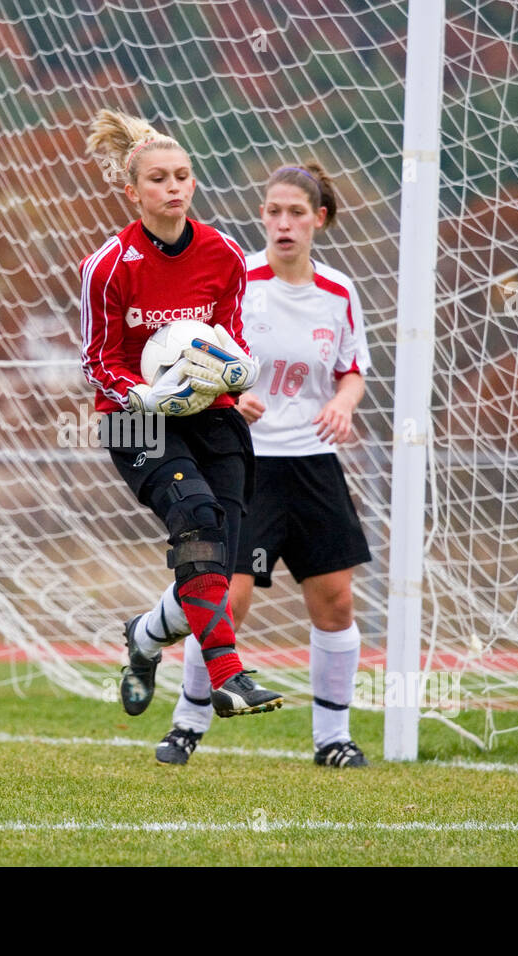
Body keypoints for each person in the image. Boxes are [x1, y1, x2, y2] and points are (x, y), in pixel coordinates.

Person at [155, 161, 373, 768]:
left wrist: (343, 403)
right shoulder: (238, 280)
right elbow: (193, 358)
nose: (283, 223)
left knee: (335, 601)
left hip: (315, 465)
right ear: (263, 217)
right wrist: (229, 395)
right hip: (246, 461)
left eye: (296, 213)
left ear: (318, 220)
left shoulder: (339, 292)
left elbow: (351, 371)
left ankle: (333, 739)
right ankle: (188, 724)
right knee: (227, 598)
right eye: (273, 211)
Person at [81, 109, 283, 719]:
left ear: (193, 185)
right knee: (194, 517)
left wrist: (239, 371)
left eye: (182, 176)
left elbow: (233, 339)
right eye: (158, 179)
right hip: (134, 418)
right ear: (132, 191)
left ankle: (144, 638)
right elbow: (96, 362)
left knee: (212, 560)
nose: (173, 187)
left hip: (212, 415)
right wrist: (141, 395)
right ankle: (228, 675)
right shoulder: (109, 265)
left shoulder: (224, 254)